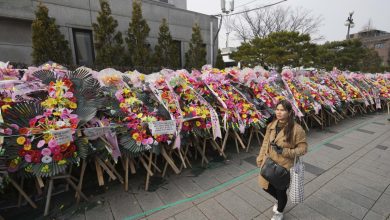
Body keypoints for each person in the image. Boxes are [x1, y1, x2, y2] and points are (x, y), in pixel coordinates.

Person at [256, 100, 308, 220]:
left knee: (280, 191)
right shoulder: (272, 125)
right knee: (265, 186)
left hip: (284, 166)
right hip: (269, 162)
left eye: (282, 110)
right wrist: (260, 157)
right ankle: (280, 201)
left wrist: (285, 151)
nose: (279, 112)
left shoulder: (296, 129)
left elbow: (303, 148)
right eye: (277, 109)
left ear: (289, 112)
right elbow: (265, 143)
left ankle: (279, 211)